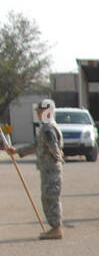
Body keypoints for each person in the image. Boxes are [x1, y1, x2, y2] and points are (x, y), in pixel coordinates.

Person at [8, 99, 65, 239]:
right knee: (47, 197)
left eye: (41, 111)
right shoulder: (45, 126)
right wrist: (17, 151)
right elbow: (36, 145)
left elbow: (53, 146)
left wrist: (58, 157)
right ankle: (54, 227)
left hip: (51, 168)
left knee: (51, 197)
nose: (39, 113)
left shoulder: (48, 127)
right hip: (47, 168)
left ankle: (56, 228)